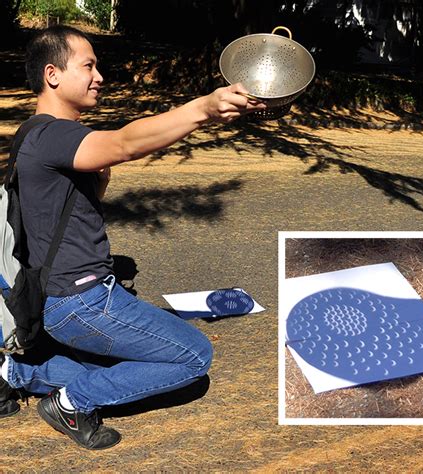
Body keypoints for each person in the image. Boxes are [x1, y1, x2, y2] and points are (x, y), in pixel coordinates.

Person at [0, 25, 265, 449]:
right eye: (88, 66)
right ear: (53, 75)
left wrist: (97, 185)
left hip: (55, 299)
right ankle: (71, 404)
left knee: (118, 365)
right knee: (193, 355)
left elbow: (58, 212)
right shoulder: (54, 136)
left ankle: (14, 373)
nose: (99, 76)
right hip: (82, 302)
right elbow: (125, 143)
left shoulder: (31, 132)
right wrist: (204, 108)